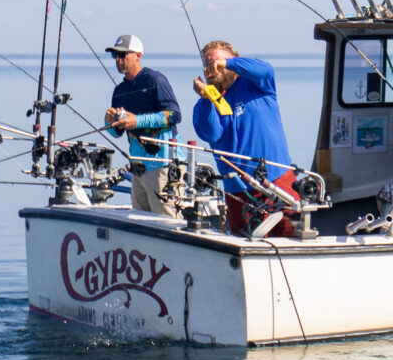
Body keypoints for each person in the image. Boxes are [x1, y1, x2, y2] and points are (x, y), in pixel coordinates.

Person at [191, 39, 296, 237]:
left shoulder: (256, 84)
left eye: (218, 61)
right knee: (245, 248)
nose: (213, 67)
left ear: (235, 60)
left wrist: (228, 64)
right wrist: (206, 100)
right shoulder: (208, 102)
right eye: (208, 64)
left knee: (292, 239)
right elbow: (210, 133)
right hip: (239, 193)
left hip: (278, 181)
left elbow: (265, 70)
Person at [103, 33, 181, 213]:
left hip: (162, 165)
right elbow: (117, 133)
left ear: (138, 56)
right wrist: (109, 121)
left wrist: (136, 121)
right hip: (137, 168)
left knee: (167, 223)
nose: (117, 60)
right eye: (115, 55)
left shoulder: (155, 80)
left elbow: (174, 115)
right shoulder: (120, 90)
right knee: (142, 224)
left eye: (122, 55)